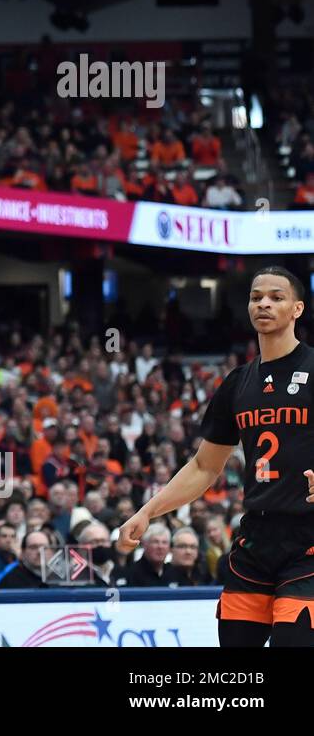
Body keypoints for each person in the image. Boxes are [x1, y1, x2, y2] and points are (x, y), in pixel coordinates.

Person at [119, 267, 314, 646]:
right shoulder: (237, 383)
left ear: (297, 309)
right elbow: (204, 467)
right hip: (255, 541)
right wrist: (148, 511)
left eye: (276, 297)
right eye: (256, 297)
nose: (264, 304)